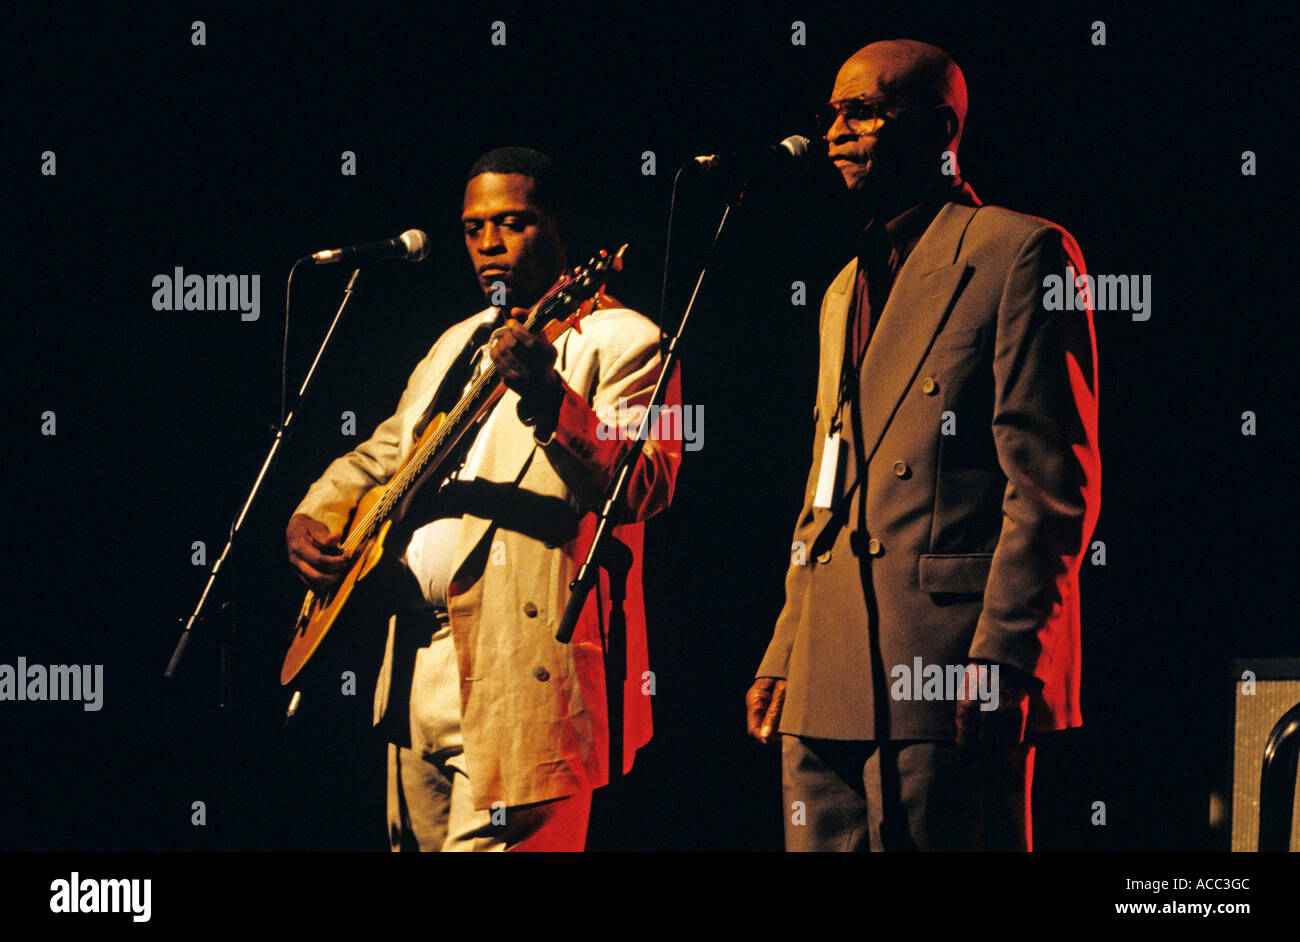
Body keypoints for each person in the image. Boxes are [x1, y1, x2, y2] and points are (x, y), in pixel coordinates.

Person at [745, 40, 1101, 851]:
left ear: (940, 127)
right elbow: (824, 489)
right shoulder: (844, 286)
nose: (836, 131)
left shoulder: (1019, 251)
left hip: (943, 664)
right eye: (831, 113)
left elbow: (1049, 483)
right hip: (827, 665)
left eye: (862, 111)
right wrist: (784, 649)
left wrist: (1007, 656)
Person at [287, 147, 681, 851]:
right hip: (416, 662)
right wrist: (314, 511)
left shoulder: (627, 340)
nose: (488, 244)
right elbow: (382, 453)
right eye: (473, 229)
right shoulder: (455, 342)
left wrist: (549, 395)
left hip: (525, 666)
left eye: (512, 223)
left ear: (559, 228)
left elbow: (644, 484)